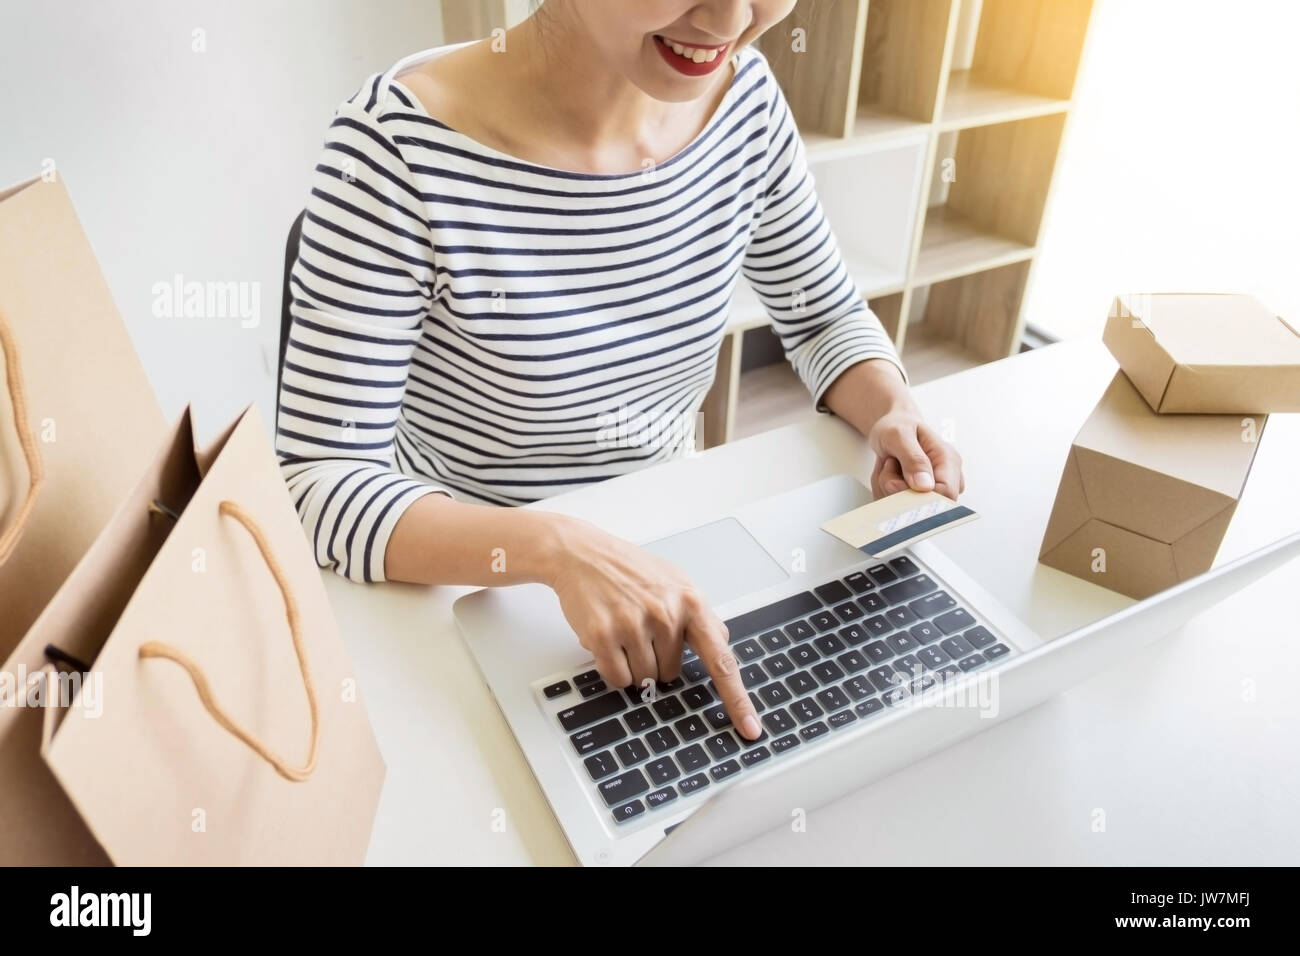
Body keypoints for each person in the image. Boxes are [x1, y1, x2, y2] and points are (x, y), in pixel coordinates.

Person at [277, 0, 964, 742]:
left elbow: (823, 315)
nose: (729, 18)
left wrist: (890, 404)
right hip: (474, 579)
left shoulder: (746, 103)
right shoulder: (394, 150)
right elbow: (321, 479)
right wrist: (554, 548)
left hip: (674, 539)